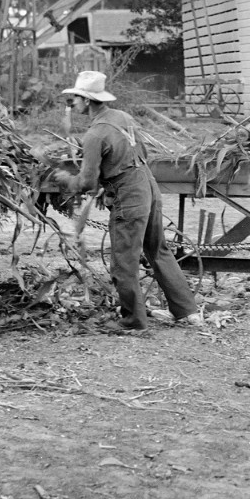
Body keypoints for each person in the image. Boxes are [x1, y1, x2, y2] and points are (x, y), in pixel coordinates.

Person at [53, 71, 203, 333]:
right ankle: (186, 310)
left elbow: (87, 183)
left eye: (74, 99)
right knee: (158, 250)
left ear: (87, 101)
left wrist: (64, 179)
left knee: (124, 262)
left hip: (129, 196)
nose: (72, 104)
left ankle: (133, 321)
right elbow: (138, 152)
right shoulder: (123, 117)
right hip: (147, 184)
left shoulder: (96, 134)